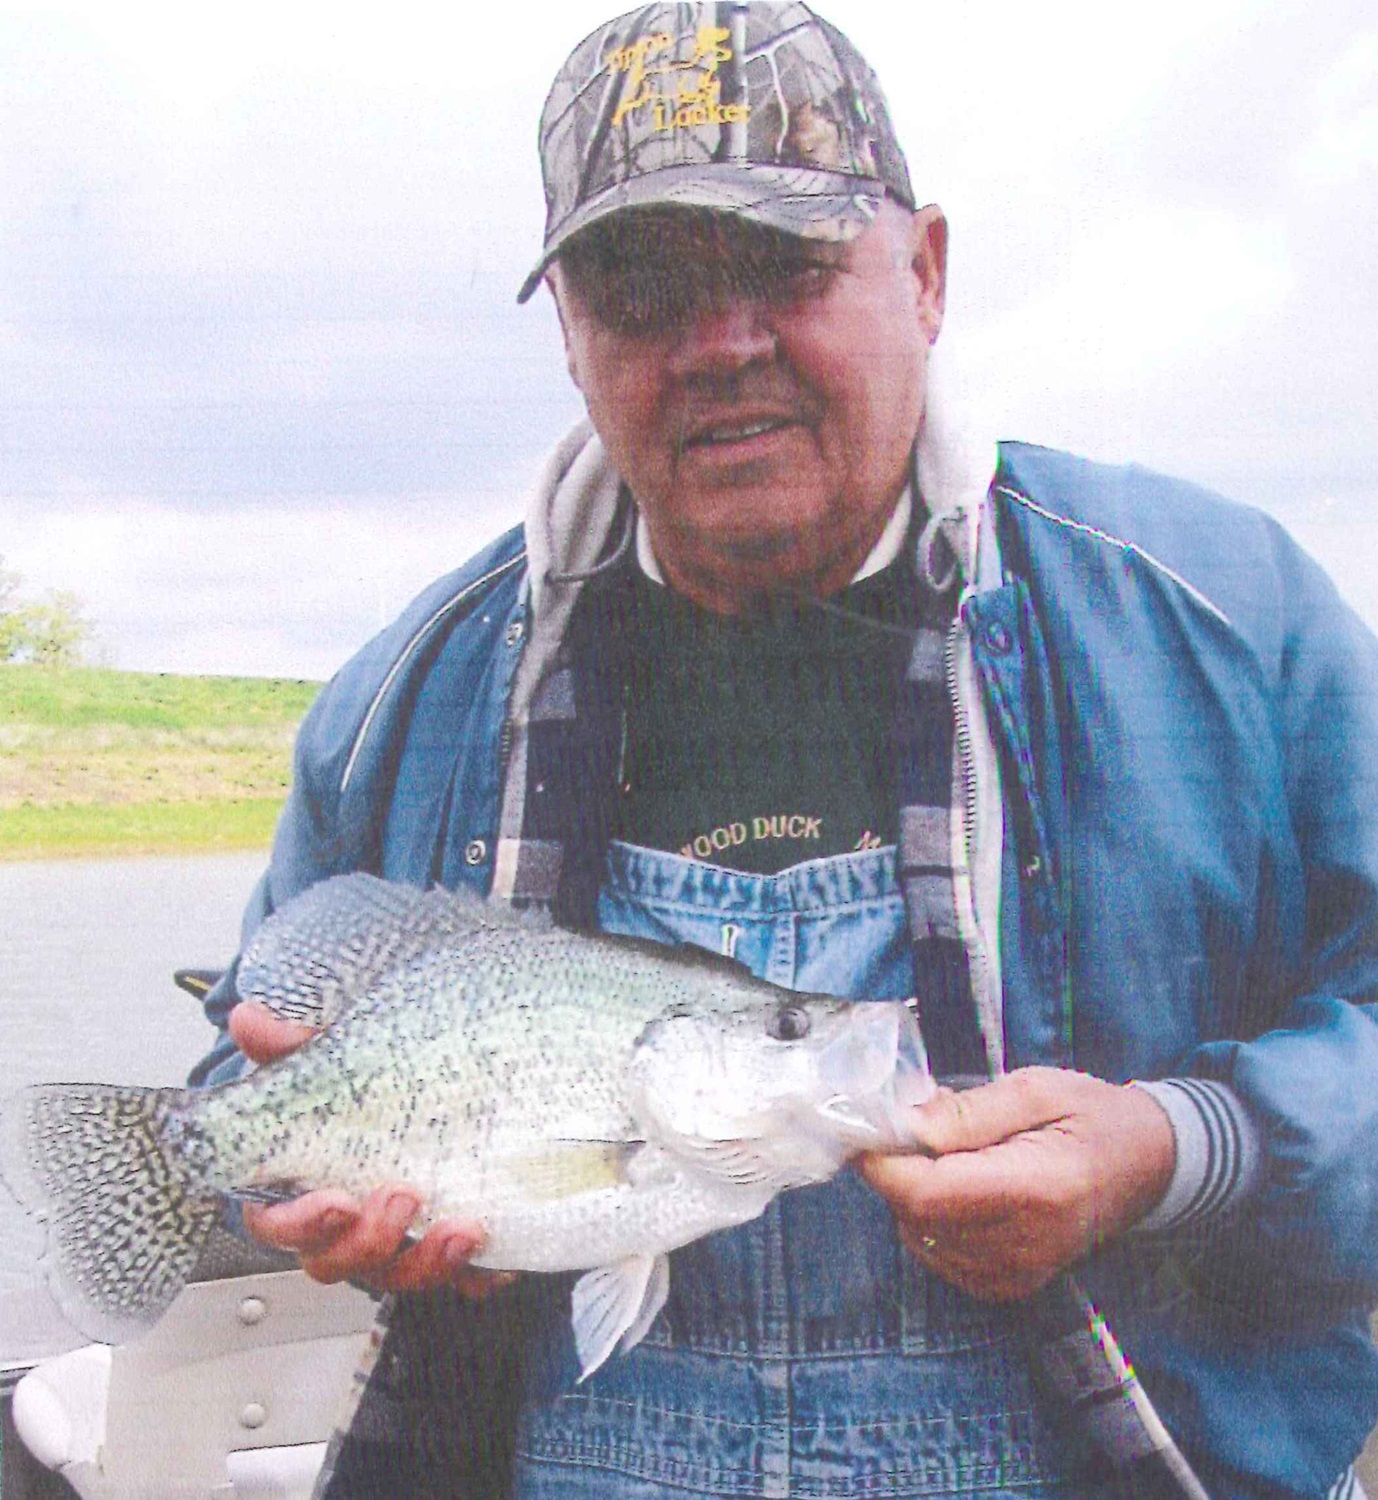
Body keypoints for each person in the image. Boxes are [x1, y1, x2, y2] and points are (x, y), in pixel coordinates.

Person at [191, 4, 1378, 1496]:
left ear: (927, 271)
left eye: (786, 266)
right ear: (569, 336)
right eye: (638, 290)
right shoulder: (403, 702)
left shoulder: (1223, 623)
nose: (719, 345)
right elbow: (246, 1072)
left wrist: (1175, 1143)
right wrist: (331, 1221)